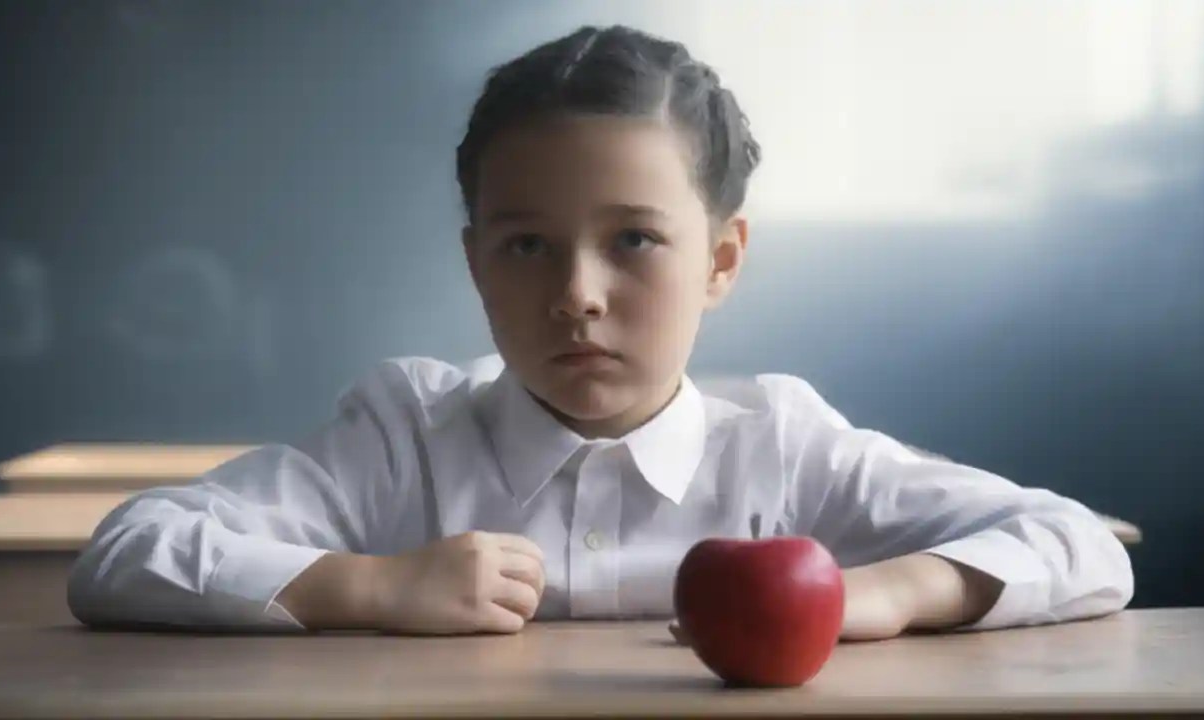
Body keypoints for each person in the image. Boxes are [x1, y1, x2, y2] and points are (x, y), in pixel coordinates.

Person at [67, 25, 1133, 641]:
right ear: (475, 259)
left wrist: (878, 594)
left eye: (632, 241)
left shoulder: (783, 446)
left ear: (719, 259)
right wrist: (368, 585)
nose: (577, 294)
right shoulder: (401, 436)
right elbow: (123, 552)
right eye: (527, 246)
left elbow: (1081, 546)